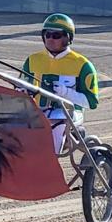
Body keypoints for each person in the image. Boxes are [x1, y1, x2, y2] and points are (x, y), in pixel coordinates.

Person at [22, 13, 99, 155]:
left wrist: (66, 92)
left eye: (56, 35)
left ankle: (48, 163)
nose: (50, 39)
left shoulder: (83, 65)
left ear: (68, 38)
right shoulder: (32, 60)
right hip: (37, 112)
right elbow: (21, 87)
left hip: (68, 115)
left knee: (54, 126)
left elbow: (91, 102)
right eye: (47, 34)